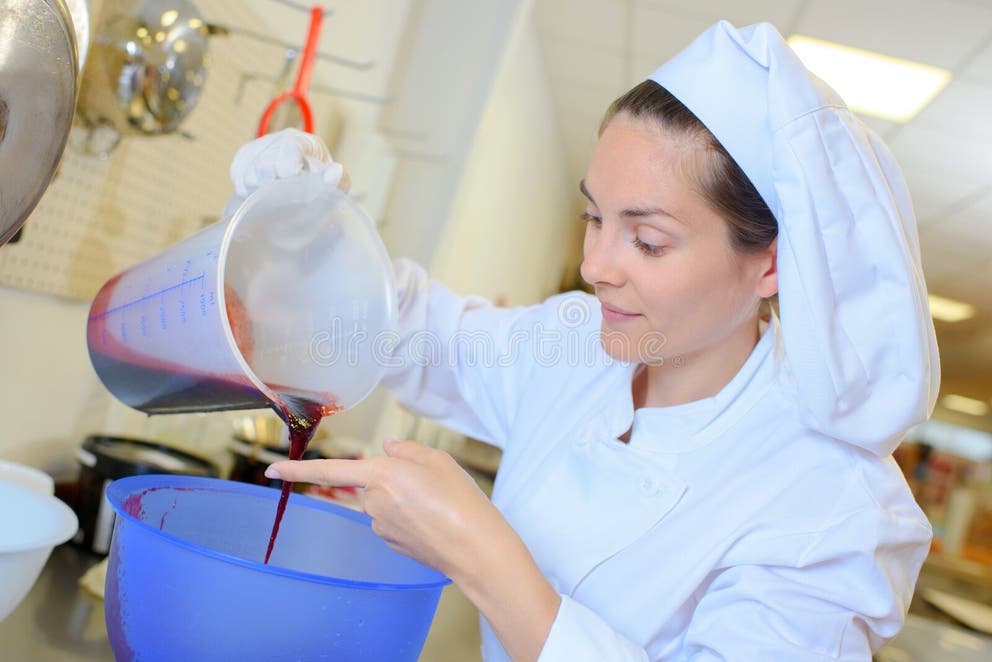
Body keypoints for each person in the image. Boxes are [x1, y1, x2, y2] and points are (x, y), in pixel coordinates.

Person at [232, 21, 940, 661]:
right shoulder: (575, 343)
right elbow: (417, 336)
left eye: (649, 240)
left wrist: (481, 554)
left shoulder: (832, 506)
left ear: (770, 264)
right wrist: (314, 240)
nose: (597, 266)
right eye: (593, 217)